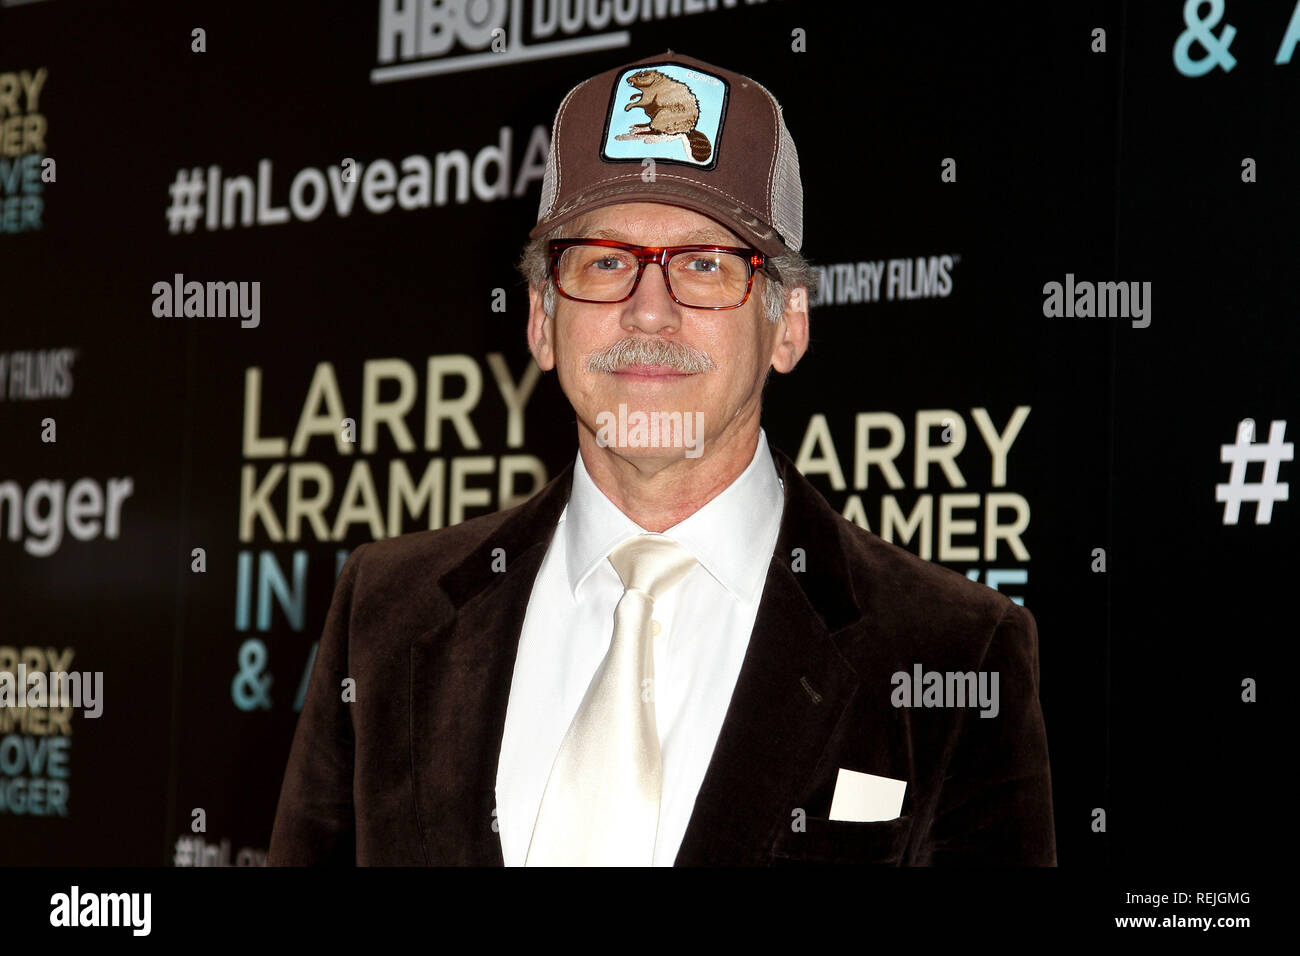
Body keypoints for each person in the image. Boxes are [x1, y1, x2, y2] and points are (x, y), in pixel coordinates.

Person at [267, 50, 1056, 866]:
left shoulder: (952, 655)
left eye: (706, 265)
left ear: (788, 324)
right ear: (541, 318)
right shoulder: (385, 616)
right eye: (605, 262)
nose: (649, 312)